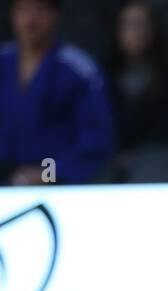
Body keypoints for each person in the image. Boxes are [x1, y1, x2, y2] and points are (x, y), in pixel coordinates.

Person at [0, 0, 115, 186]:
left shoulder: (78, 70)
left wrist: (48, 173)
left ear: (56, 16)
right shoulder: (3, 62)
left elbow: (97, 141)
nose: (31, 20)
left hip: (58, 185)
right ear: (12, 14)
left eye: (40, 9)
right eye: (23, 9)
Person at [104, 0, 168, 154]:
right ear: (117, 30)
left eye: (143, 24)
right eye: (129, 25)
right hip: (111, 162)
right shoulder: (100, 77)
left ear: (154, 30)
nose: (137, 32)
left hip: (160, 162)